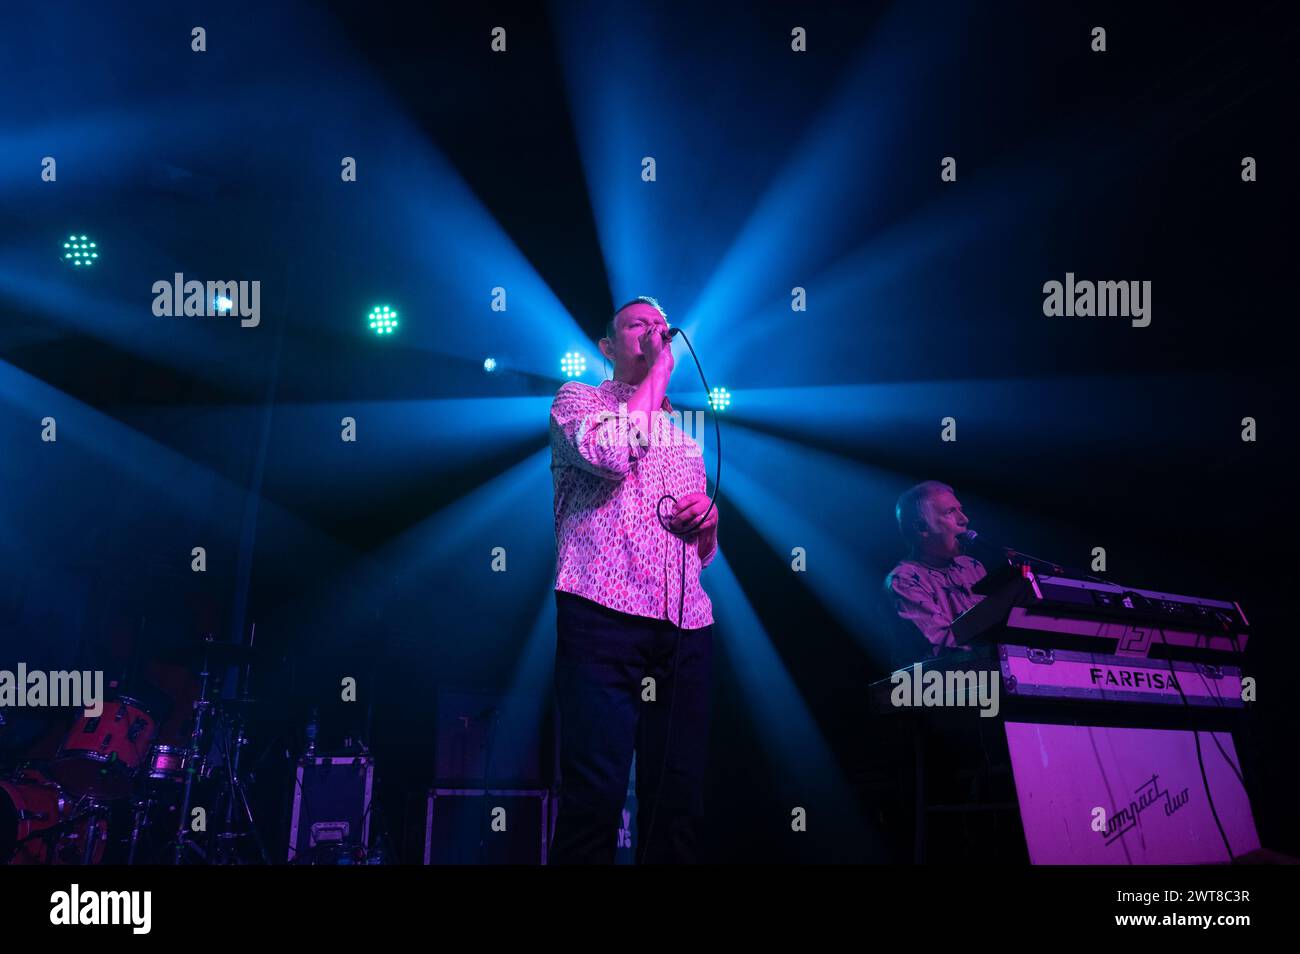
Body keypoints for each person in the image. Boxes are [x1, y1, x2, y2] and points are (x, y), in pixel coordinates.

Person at [547, 296, 718, 864]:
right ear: (607, 346)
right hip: (601, 613)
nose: (653, 330)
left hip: (683, 625)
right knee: (595, 794)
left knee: (679, 800)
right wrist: (660, 375)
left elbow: (701, 554)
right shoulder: (578, 402)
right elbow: (612, 453)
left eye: (658, 324)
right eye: (635, 324)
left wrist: (708, 523)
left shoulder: (685, 440)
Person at [884, 480, 985, 657]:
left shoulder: (971, 566)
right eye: (951, 512)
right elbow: (944, 646)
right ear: (922, 528)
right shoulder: (903, 580)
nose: (964, 519)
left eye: (960, 509)